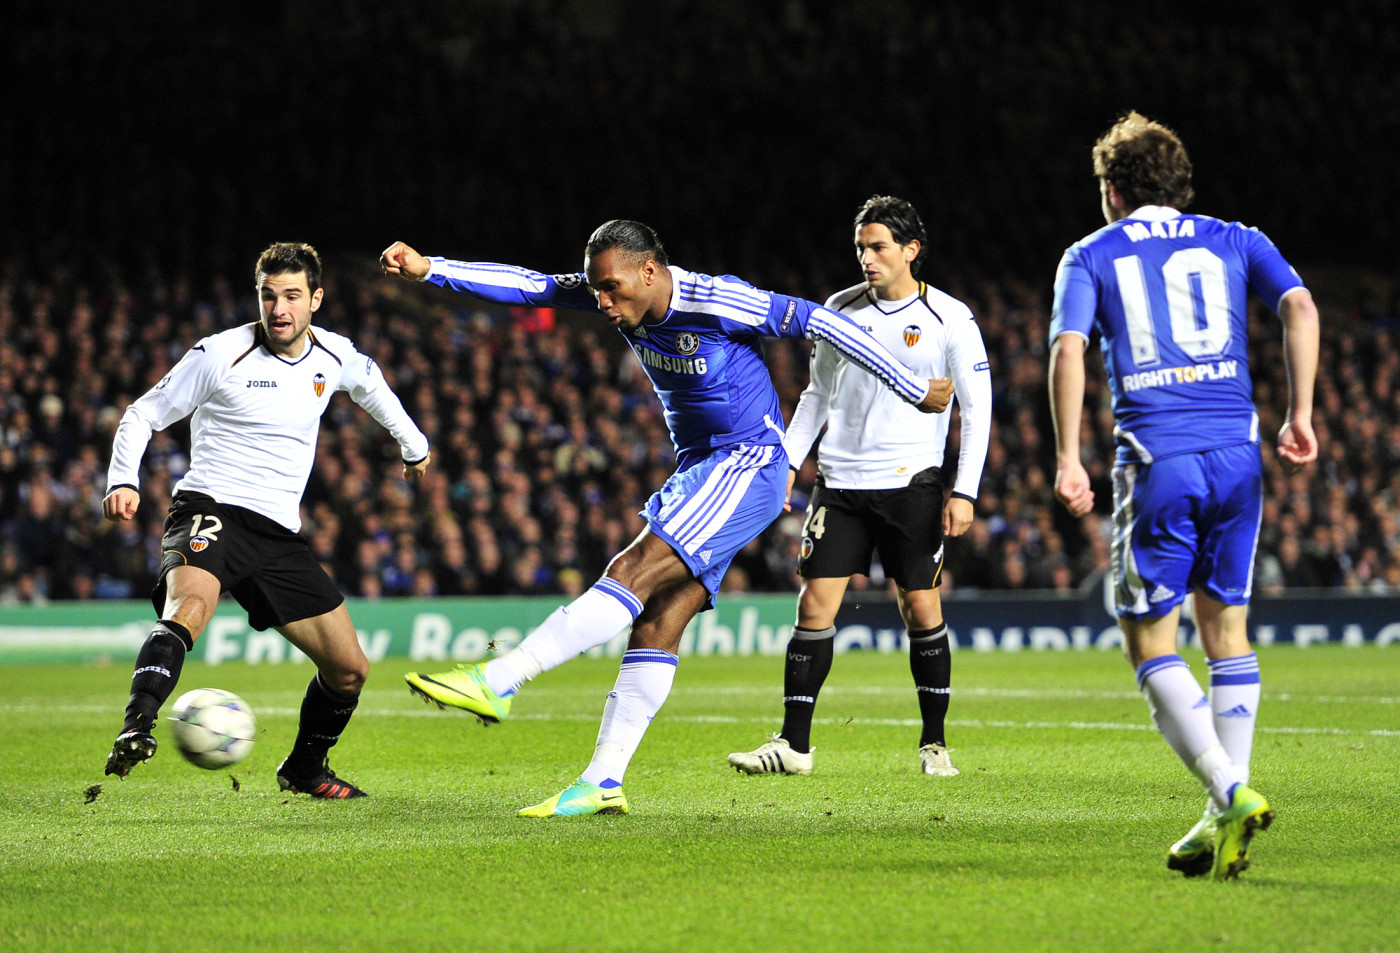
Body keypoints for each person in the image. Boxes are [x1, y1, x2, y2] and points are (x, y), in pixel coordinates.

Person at [381, 221, 953, 816]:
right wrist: (431, 268)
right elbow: (531, 287)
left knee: (632, 569)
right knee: (657, 622)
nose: (602, 302)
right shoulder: (616, 298)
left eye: (612, 288)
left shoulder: (716, 300)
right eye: (598, 290)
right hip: (702, 468)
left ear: (650, 271)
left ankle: (501, 679)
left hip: (745, 462)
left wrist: (911, 384)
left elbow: (824, 322)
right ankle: (603, 781)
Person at [1048, 112, 1319, 880]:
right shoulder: (1238, 237)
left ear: (1112, 189)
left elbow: (1068, 347)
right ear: (1182, 183)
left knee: (1148, 639)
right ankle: (1217, 815)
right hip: (1237, 452)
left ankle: (1228, 789)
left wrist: (1069, 455)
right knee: (1226, 628)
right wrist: (1299, 413)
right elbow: (1299, 305)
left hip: (1158, 455)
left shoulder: (1090, 254)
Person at [103, 242, 431, 798]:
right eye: (268, 295)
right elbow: (142, 413)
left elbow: (373, 387)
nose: (279, 309)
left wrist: (414, 446)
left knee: (350, 670)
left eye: (292, 296)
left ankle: (304, 769)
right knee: (190, 609)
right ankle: (137, 726)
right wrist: (122, 480)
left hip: (277, 534)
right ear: (258, 297)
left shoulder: (335, 355)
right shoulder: (218, 354)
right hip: (210, 508)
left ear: (316, 300)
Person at [727, 196, 991, 779]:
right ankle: (794, 746)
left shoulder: (951, 318)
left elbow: (977, 408)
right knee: (814, 604)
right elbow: (816, 395)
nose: (867, 258)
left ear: (911, 251)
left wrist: (964, 489)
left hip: (912, 484)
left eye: (878, 247)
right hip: (841, 483)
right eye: (860, 249)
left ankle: (934, 744)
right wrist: (789, 463)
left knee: (920, 606)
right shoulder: (839, 310)